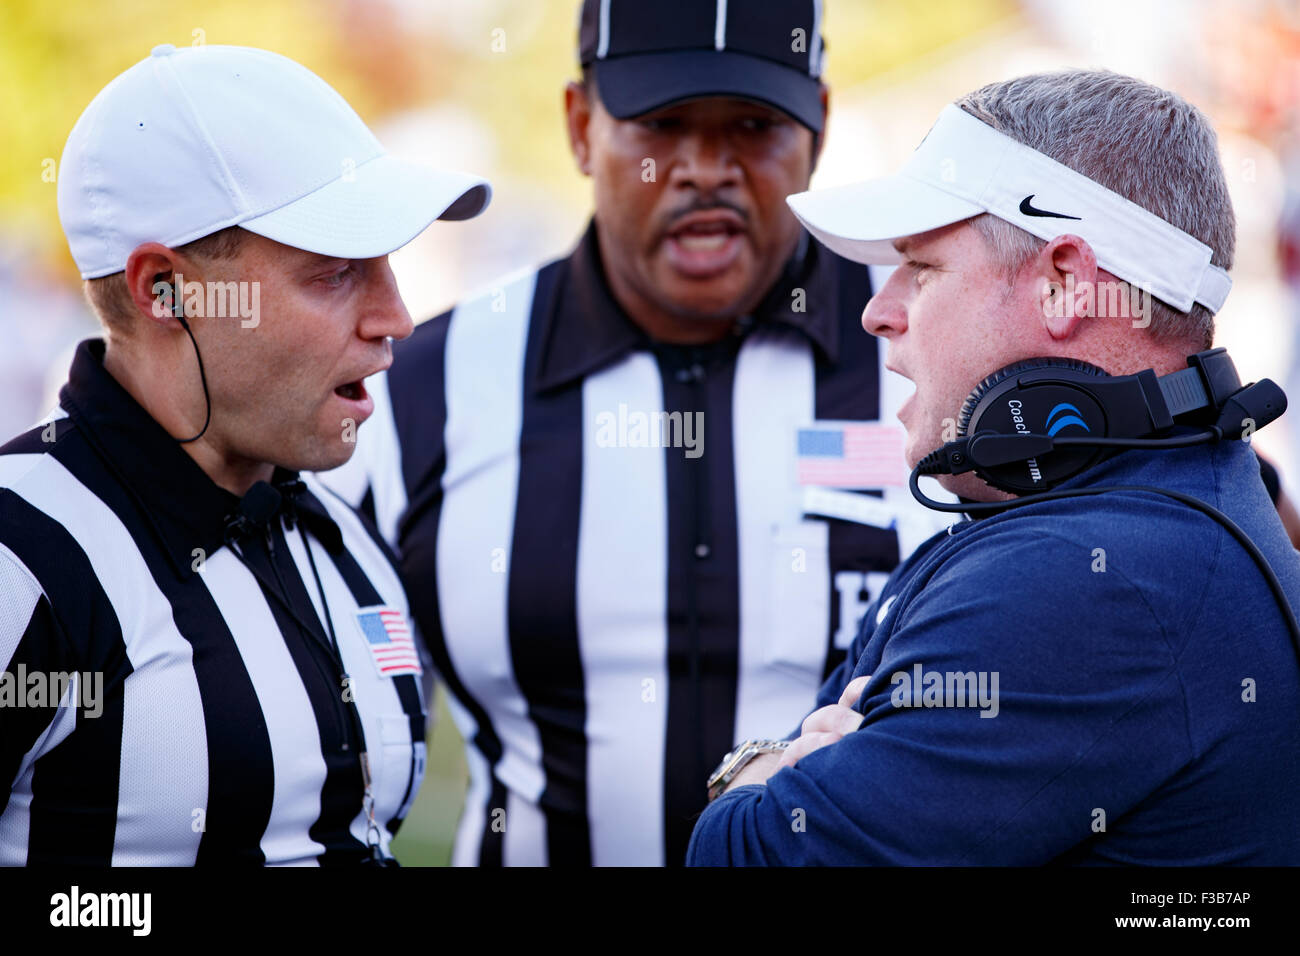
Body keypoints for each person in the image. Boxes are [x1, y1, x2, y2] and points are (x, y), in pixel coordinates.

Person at [320, 0, 950, 866]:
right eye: (662, 123)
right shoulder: (425, 383)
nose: (703, 167)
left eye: (754, 125)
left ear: (821, 127)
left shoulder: (937, 354)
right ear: (581, 127)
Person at [687, 69, 1300, 865]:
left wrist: (763, 773)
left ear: (1064, 283)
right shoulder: (1177, 501)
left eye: (924, 267)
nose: (880, 312)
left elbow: (744, 856)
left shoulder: (1086, 580)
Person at [0, 43, 489, 865]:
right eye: (336, 271)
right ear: (165, 289)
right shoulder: (21, 555)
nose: (397, 315)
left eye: (388, 263)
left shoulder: (341, 533)